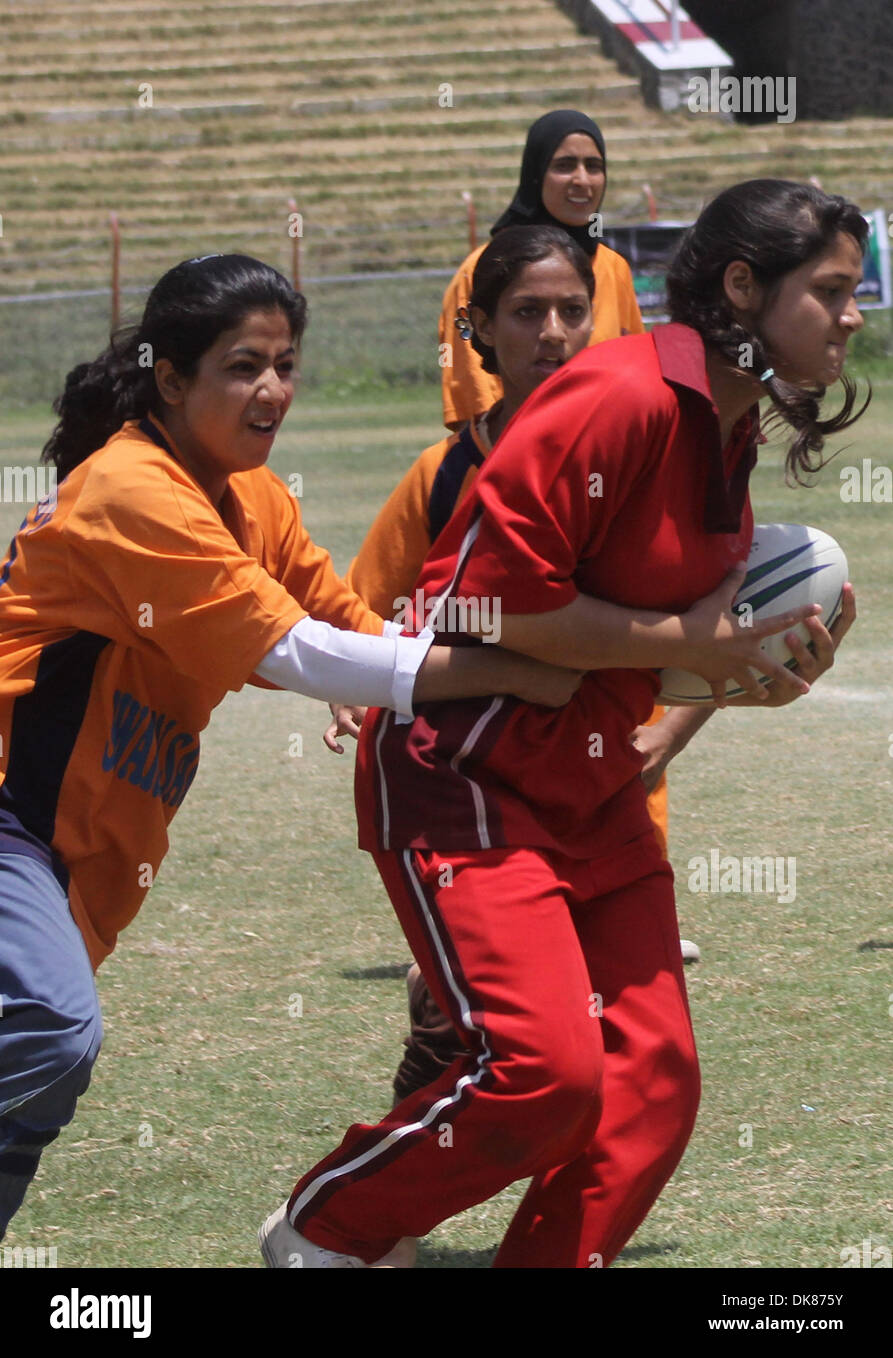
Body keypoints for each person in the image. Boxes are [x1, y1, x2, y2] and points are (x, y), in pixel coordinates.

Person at [260, 180, 864, 1269]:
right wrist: (694, 641)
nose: (854, 314)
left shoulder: (722, 421)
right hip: (469, 773)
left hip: (592, 788)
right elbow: (505, 605)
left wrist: (747, 674)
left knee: (654, 1084)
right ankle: (329, 1228)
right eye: (828, 290)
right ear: (742, 287)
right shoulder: (618, 397)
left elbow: (669, 641)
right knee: (548, 1072)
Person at [0, 253, 584, 1243]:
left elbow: (346, 621)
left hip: (80, 850)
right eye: (240, 366)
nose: (271, 389)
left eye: (284, 363)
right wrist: (509, 671)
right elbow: (299, 649)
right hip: (14, 817)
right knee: (53, 1033)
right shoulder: (132, 490)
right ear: (170, 379)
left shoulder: (252, 497)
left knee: (35, 1090)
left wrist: (521, 641)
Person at [325, 227, 703, 1133]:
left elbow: (695, 626)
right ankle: (388, 1204)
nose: (554, 332)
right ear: (480, 331)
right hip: (472, 795)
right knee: (507, 1033)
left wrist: (670, 730)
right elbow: (365, 613)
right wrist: (363, 676)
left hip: (603, 789)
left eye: (573, 311)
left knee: (618, 1045)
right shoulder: (444, 472)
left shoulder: (643, 456)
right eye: (527, 313)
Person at [439, 108, 644, 432]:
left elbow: (635, 376)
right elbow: (475, 402)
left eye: (594, 166)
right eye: (564, 166)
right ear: (535, 174)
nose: (582, 180)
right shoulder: (483, 269)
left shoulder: (614, 268)